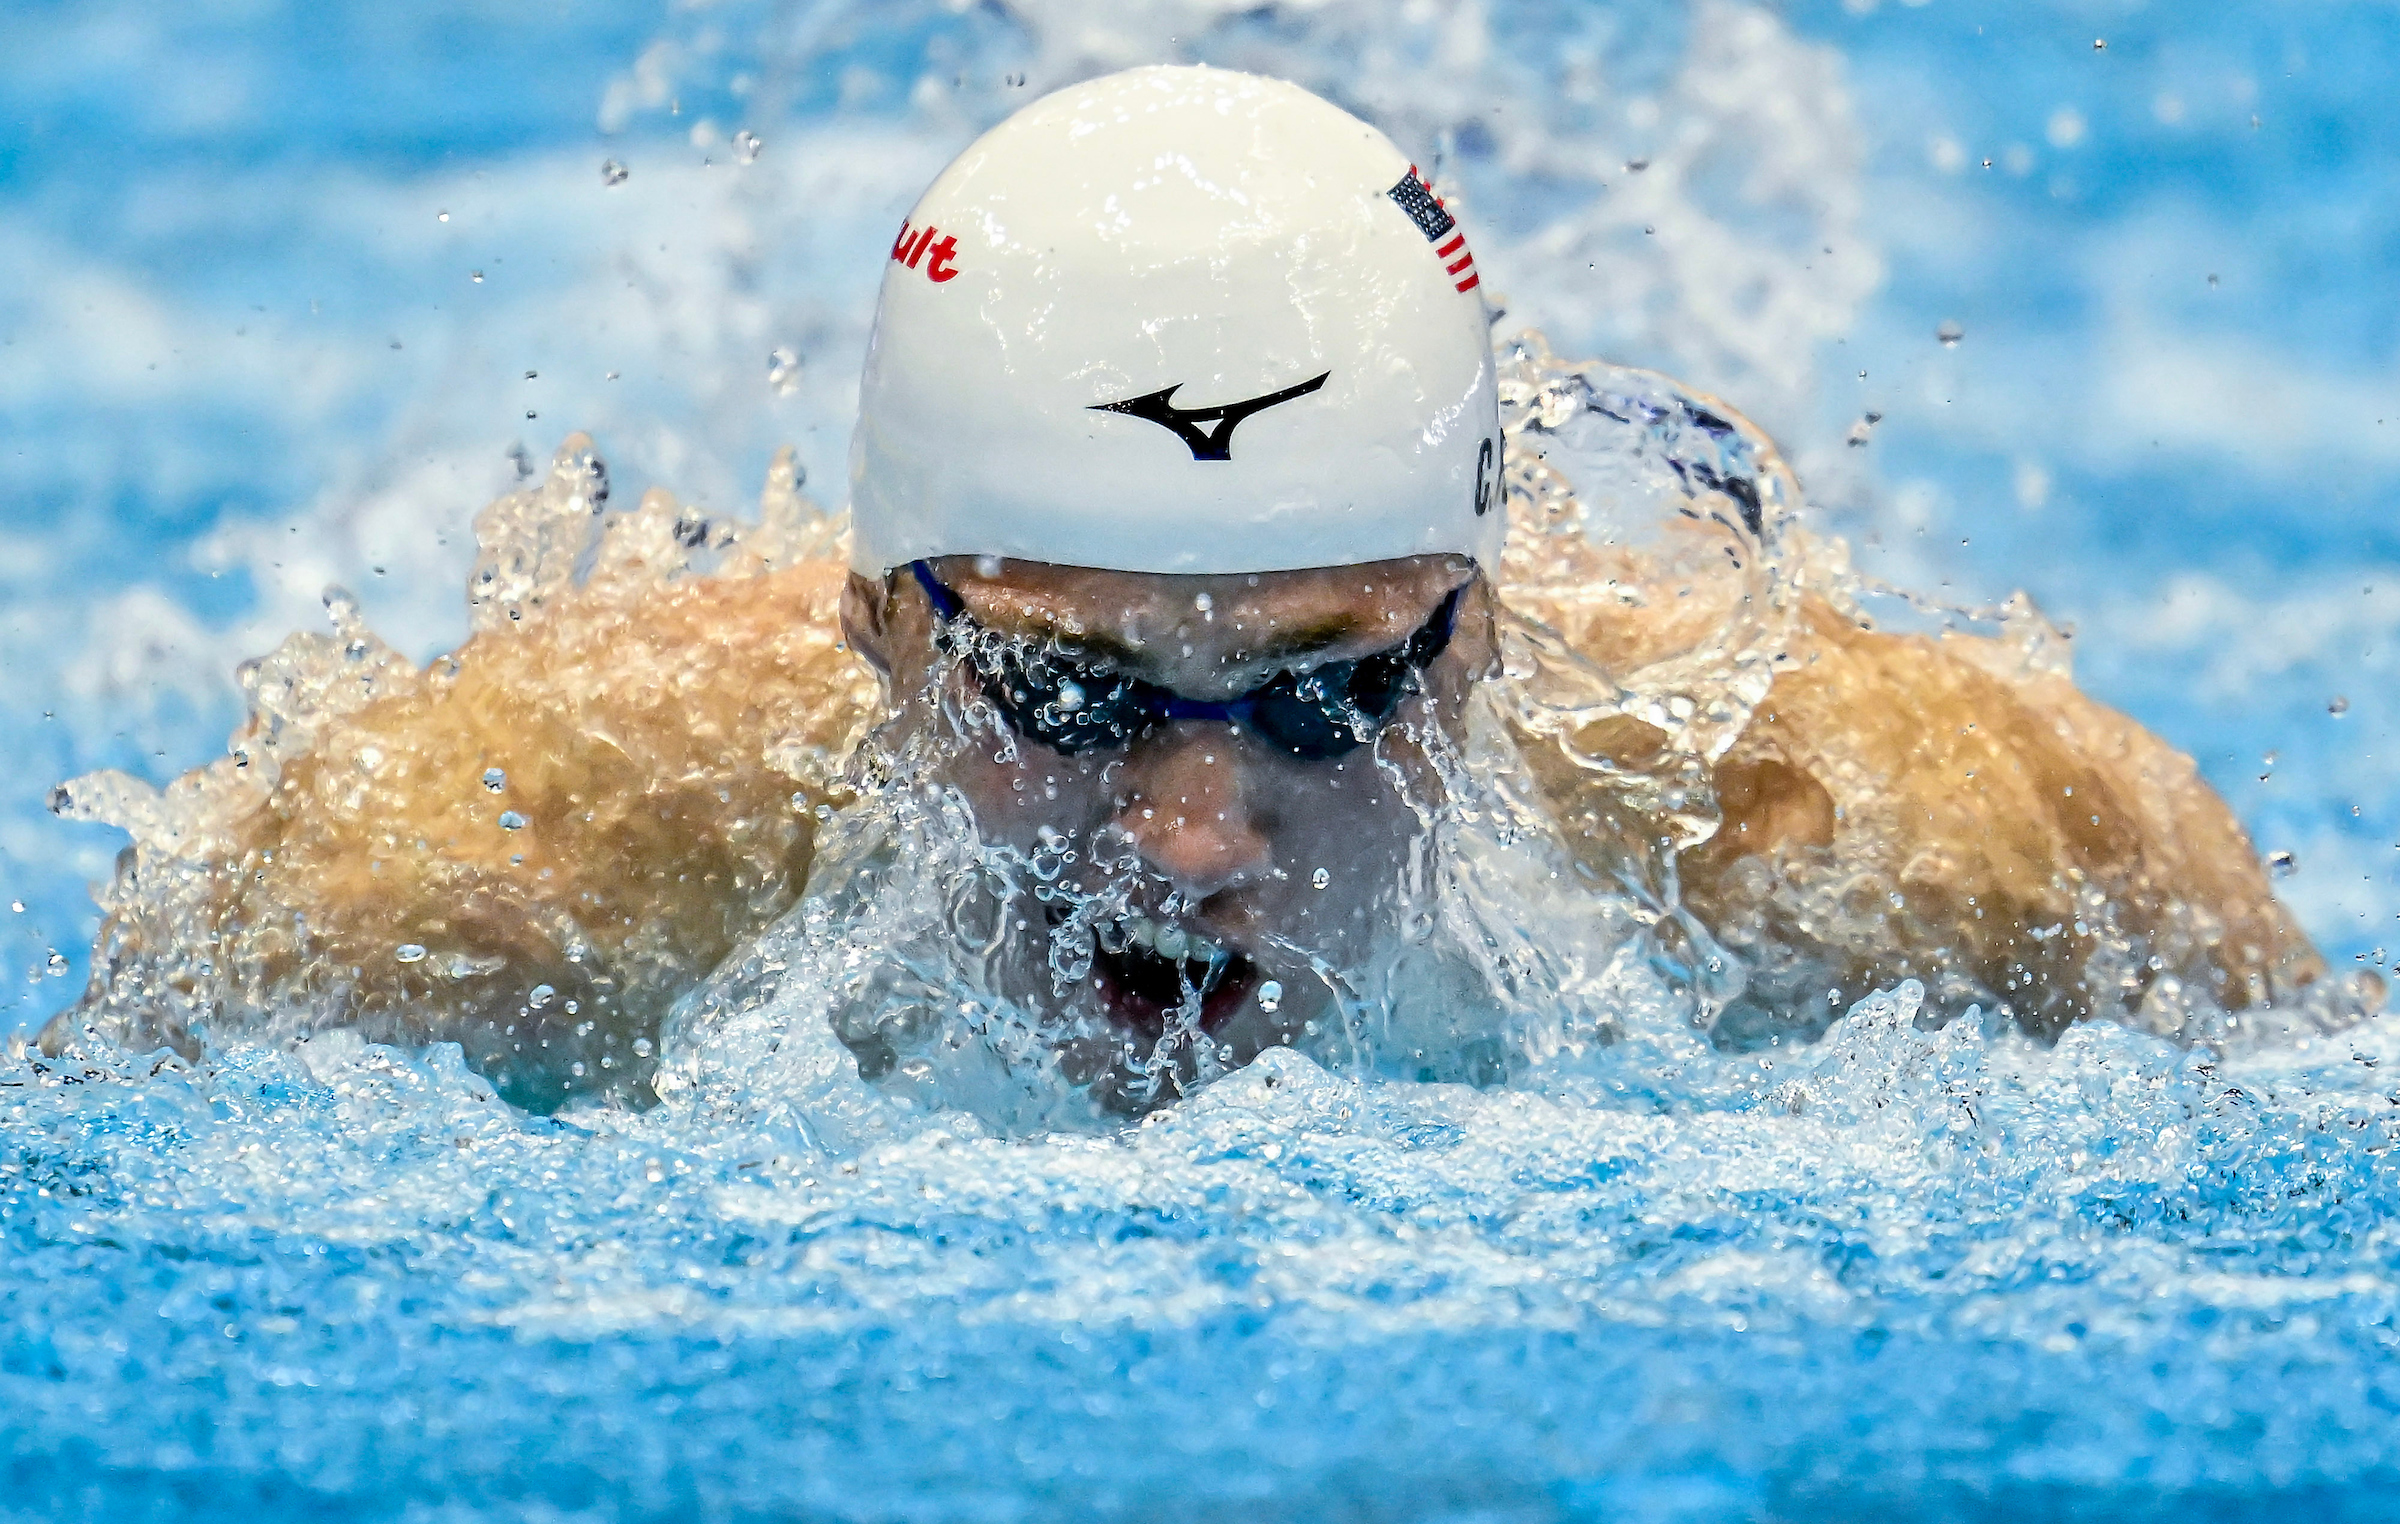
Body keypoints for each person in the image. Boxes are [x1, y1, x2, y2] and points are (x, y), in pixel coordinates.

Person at [39, 67, 2373, 1113]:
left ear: (1492, 624)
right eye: (1060, 693)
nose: (1191, 831)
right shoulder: (479, 866)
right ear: (879, 634)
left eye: (1338, 693)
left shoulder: (1900, 835)